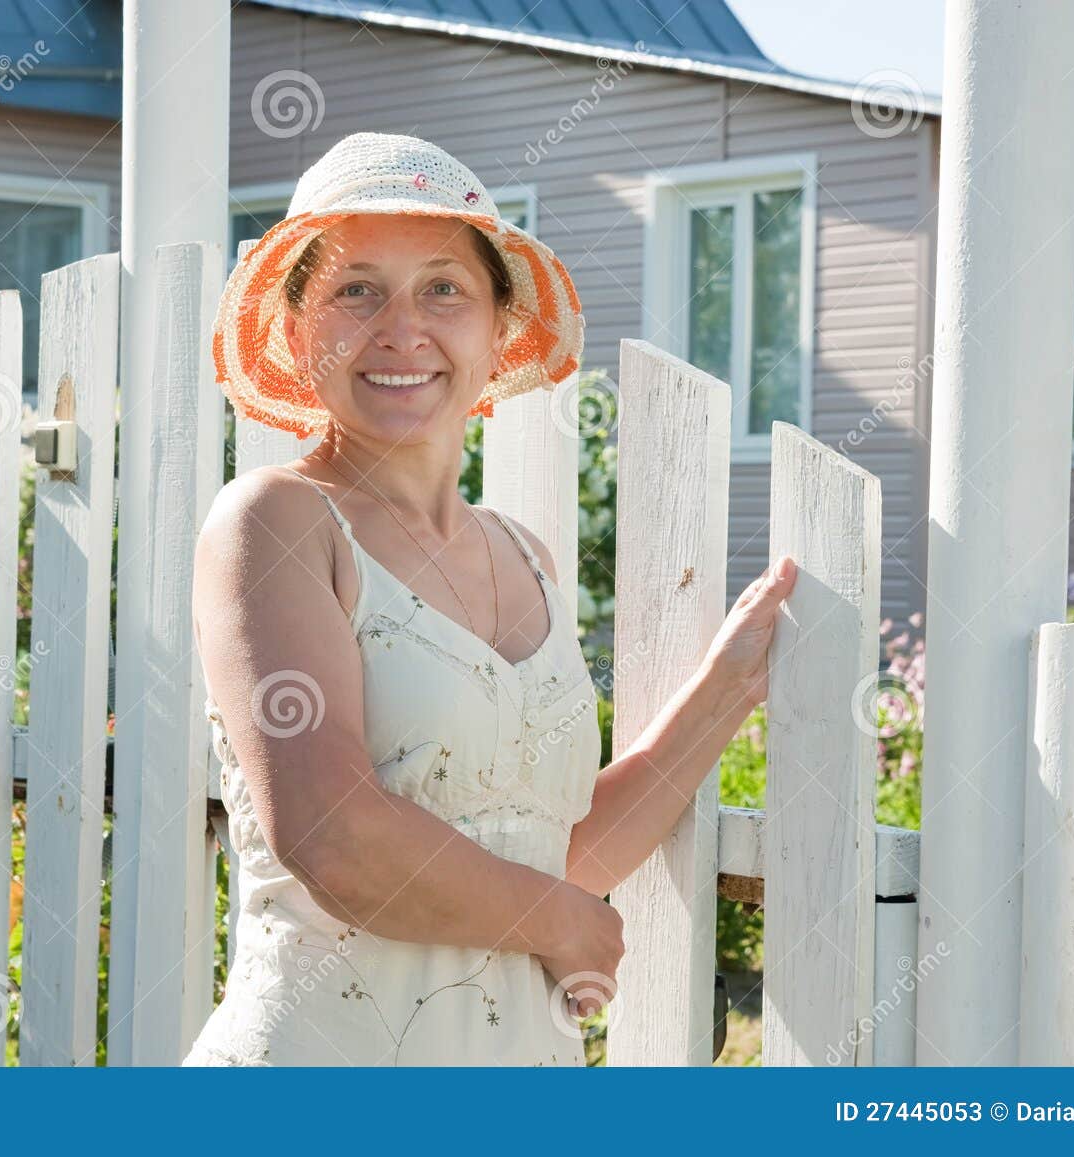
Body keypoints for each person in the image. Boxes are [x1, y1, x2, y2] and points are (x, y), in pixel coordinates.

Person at [185, 131, 795, 1066]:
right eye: (356, 289)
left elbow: (551, 848)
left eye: (444, 288)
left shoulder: (527, 556)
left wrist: (725, 690)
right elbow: (334, 836)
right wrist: (560, 923)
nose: (401, 327)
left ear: (498, 326)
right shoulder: (275, 522)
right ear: (300, 327)